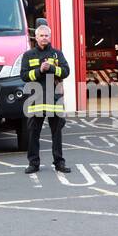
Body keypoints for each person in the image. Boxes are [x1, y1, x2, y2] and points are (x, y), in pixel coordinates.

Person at [21, 23, 72, 174]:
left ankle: (59, 163)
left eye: (46, 35)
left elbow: (66, 71)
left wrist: (51, 68)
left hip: (54, 99)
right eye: (41, 36)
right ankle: (33, 164)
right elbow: (24, 76)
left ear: (50, 37)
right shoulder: (28, 55)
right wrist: (38, 71)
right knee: (33, 134)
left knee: (57, 133)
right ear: (36, 37)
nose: (44, 38)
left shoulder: (57, 54)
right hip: (35, 100)